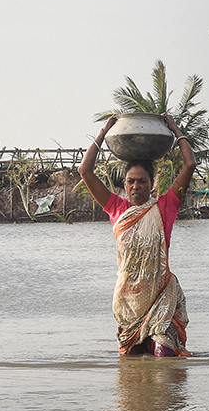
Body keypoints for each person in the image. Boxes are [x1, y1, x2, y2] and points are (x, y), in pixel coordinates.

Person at [78, 113, 196, 357]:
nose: (136, 187)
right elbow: (85, 171)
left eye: (142, 181)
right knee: (131, 371)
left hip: (161, 299)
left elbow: (190, 165)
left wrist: (174, 128)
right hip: (129, 303)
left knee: (165, 360)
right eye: (131, 181)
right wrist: (103, 133)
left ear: (152, 184)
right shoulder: (117, 209)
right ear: (124, 183)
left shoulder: (165, 207)